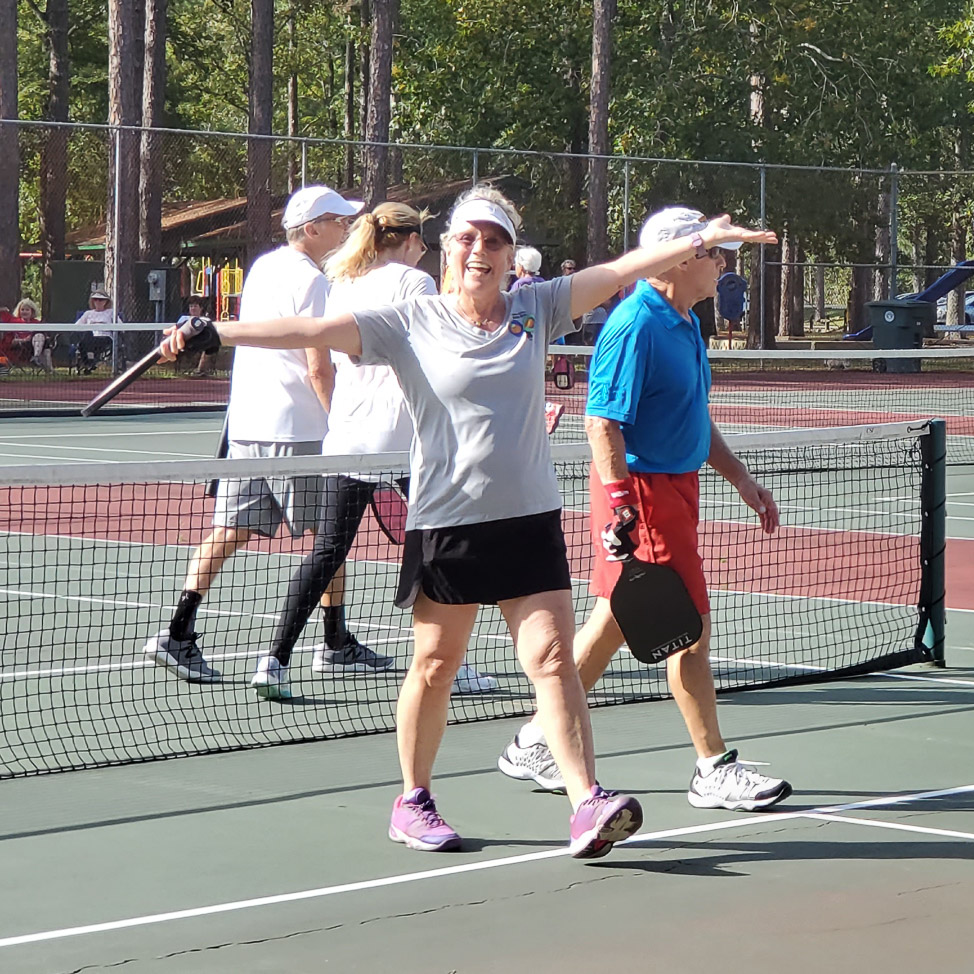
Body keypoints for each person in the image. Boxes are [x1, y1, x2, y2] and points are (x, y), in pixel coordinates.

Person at [160, 188, 776, 858]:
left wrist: (696, 239)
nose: (479, 250)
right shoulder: (409, 319)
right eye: (467, 238)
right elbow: (312, 333)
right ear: (449, 248)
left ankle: (585, 802)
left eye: (495, 241)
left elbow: (625, 270)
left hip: (529, 520)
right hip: (448, 522)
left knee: (551, 662)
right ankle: (413, 800)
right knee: (434, 664)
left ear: (512, 256)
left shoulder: (536, 309)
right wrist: (217, 331)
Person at [498, 206, 792, 813]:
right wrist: (622, 503)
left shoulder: (684, 321)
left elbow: (692, 417)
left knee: (612, 624)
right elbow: (602, 420)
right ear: (680, 259)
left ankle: (532, 740)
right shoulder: (634, 324)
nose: (724, 265)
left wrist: (742, 480)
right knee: (687, 631)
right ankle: (713, 768)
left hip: (676, 491)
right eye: (716, 254)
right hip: (642, 494)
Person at [250, 201, 500, 699]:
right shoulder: (415, 284)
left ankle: (273, 662)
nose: (425, 252)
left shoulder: (343, 283)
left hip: (348, 438)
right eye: (423, 243)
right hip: (406, 444)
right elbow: (443, 353)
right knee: (444, 551)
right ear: (407, 241)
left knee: (328, 552)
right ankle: (447, 665)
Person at [142, 184, 362, 682]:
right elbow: (318, 366)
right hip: (299, 429)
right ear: (312, 229)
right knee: (331, 539)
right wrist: (341, 422)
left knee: (229, 532)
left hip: (247, 426)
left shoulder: (263, 266)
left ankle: (178, 631)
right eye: (339, 221)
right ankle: (333, 643)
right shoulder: (313, 282)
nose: (347, 229)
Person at [73, 289, 118, 373]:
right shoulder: (88, 313)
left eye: (100, 300)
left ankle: (91, 363)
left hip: (105, 339)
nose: (98, 302)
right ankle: (89, 364)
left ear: (106, 301)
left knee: (87, 339)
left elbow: (121, 326)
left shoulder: (111, 313)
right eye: (95, 299)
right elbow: (77, 326)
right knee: (84, 340)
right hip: (89, 339)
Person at [177, 296, 217, 375]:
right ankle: (185, 371)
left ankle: (201, 371)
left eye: (195, 306)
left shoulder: (206, 320)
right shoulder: (183, 319)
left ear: (201, 308)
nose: (192, 308)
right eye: (191, 306)